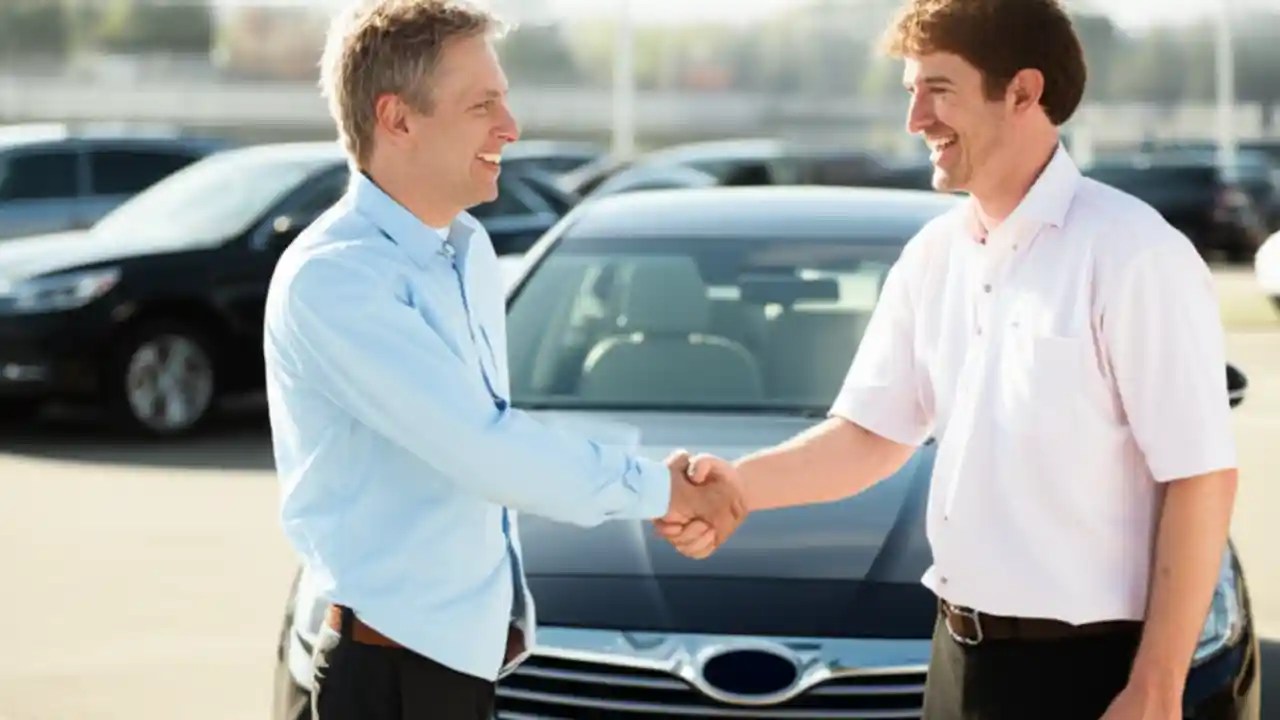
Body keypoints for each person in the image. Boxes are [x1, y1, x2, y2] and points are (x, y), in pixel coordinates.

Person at [658, 1, 1239, 718]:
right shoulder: (933, 255)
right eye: (912, 92)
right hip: (957, 662)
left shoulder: (1134, 254)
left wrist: (1156, 685)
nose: (916, 120)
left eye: (938, 90)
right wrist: (738, 488)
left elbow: (1200, 475)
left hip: (1096, 673)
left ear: (1022, 92)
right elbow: (870, 437)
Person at [262, 2, 746, 718]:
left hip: (456, 669)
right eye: (482, 105)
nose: (510, 127)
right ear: (397, 119)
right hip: (389, 680)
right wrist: (659, 490)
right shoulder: (335, 278)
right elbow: (481, 447)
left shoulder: (468, 251)